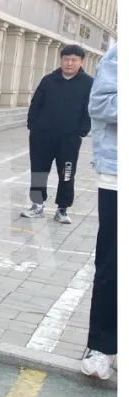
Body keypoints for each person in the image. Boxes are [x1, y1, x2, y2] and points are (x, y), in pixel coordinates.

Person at [22, 44, 94, 223]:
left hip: (69, 139)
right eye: (66, 59)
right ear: (61, 60)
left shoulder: (88, 83)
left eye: (73, 60)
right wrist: (33, 126)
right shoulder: (48, 80)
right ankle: (37, 206)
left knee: (67, 173)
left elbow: (90, 110)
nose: (69, 63)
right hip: (42, 137)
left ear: (81, 62)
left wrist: (81, 131)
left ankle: (62, 209)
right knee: (39, 171)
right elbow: (36, 104)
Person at [82, 42, 117, 379]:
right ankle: (102, 345)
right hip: (118, 176)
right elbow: (102, 105)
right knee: (113, 263)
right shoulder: (119, 54)